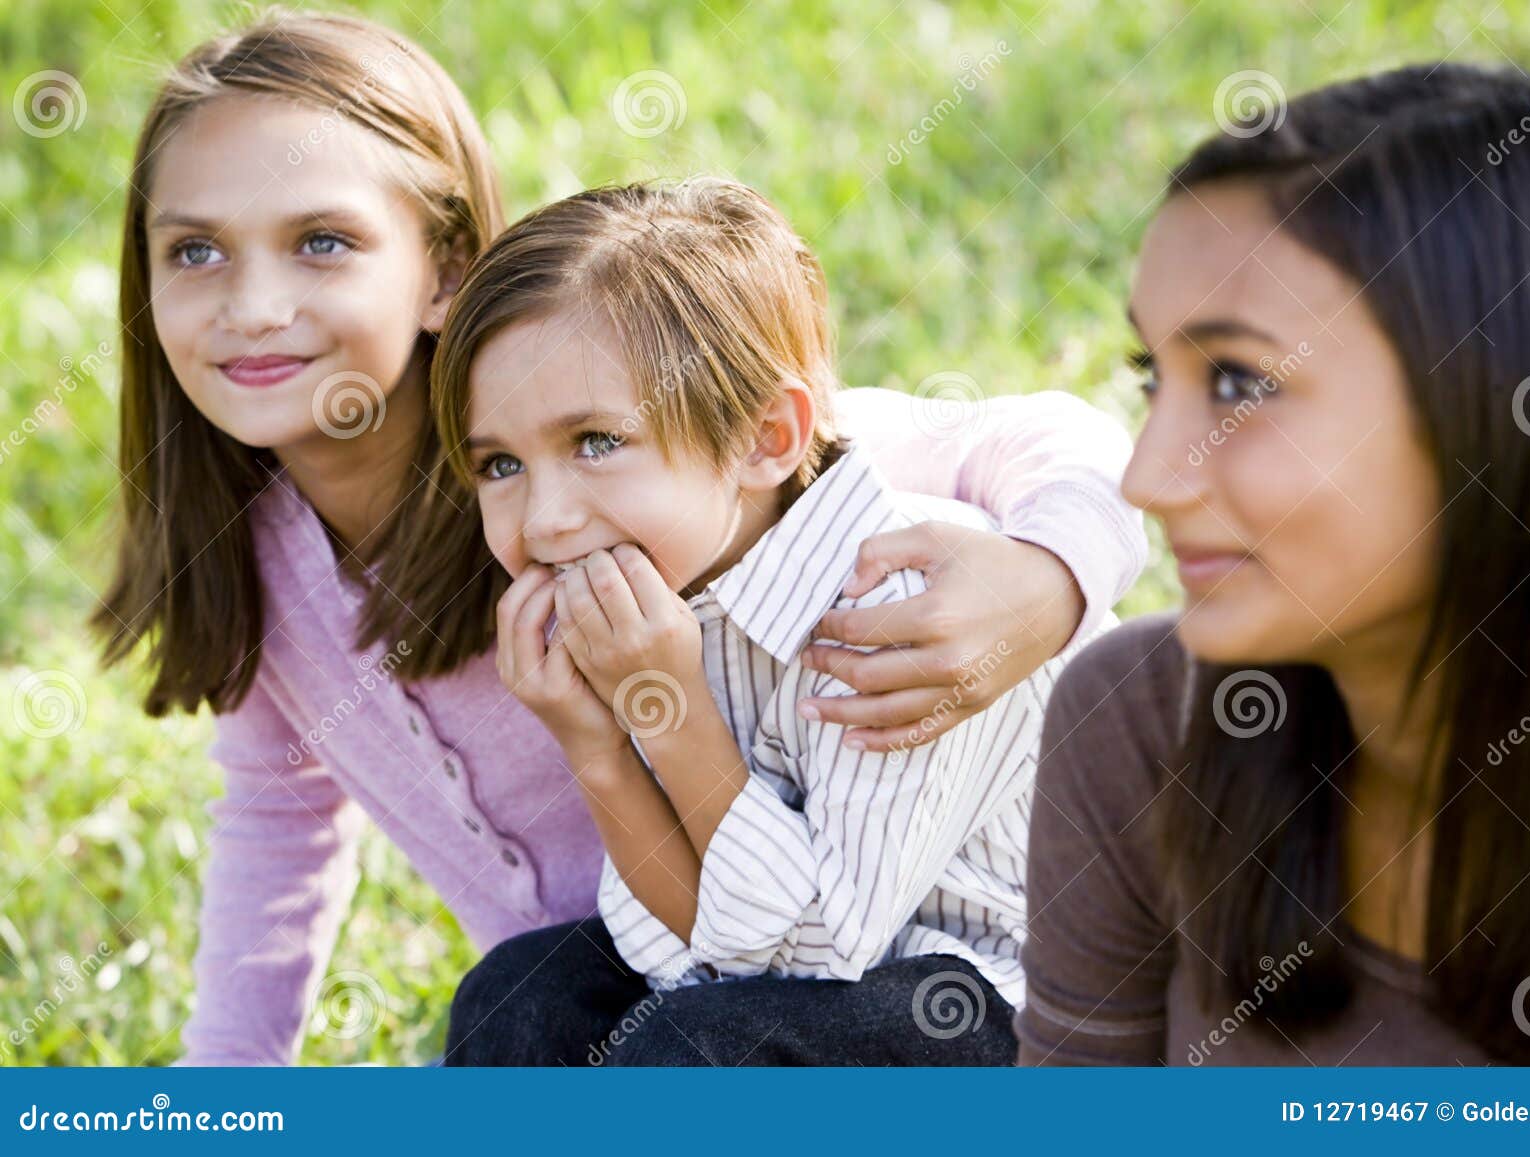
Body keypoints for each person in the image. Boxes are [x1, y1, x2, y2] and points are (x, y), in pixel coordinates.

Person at [93, 11, 1145, 1064]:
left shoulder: (635, 444)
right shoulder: (273, 554)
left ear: (446, 265)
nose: (256, 305)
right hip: (659, 956)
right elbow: (276, 828)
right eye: (194, 250)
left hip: (880, 974)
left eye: (322, 241)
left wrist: (1048, 578)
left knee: (698, 1041)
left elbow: (1044, 438)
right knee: (525, 998)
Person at [435, 179, 1122, 1064]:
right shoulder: (668, 595)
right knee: (518, 996)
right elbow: (692, 951)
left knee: (704, 1052)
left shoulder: (893, 606)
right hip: (800, 968)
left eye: (597, 442)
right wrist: (596, 742)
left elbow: (819, 956)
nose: (545, 520)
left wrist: (669, 704)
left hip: (1022, 1005)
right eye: (500, 463)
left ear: (766, 439)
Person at [1019, 62, 1530, 1066]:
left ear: (1504, 401)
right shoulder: (1138, 725)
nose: (1151, 475)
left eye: (1240, 380)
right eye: (1155, 376)